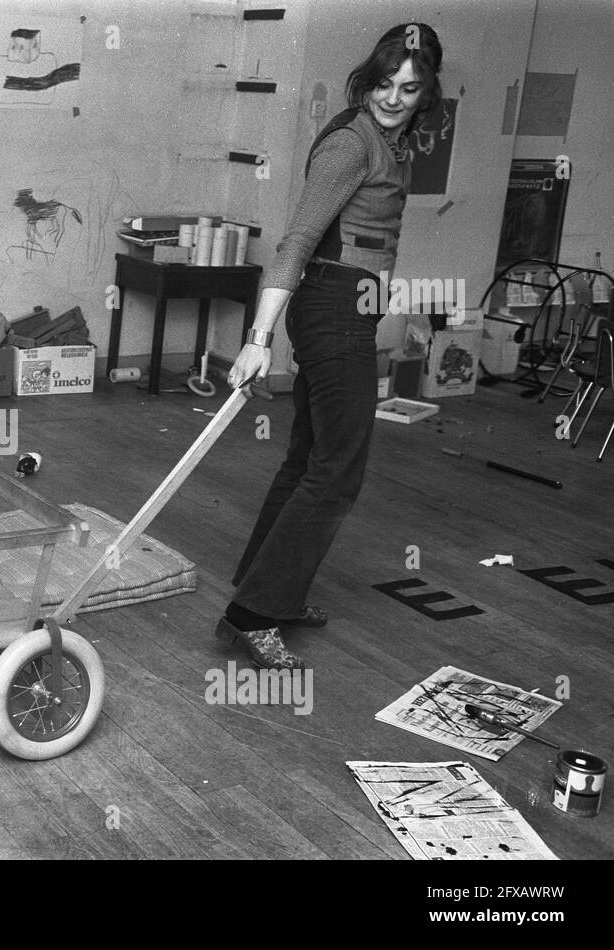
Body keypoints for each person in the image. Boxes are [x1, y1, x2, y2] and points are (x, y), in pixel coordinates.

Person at [218, 23, 444, 670]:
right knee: (338, 469)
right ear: (367, 79)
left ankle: (265, 592)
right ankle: (251, 614)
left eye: (409, 87)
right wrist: (259, 339)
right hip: (333, 310)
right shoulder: (351, 144)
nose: (393, 97)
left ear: (426, 89)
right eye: (384, 84)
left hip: (350, 310)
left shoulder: (390, 140)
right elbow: (295, 242)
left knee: (309, 457)